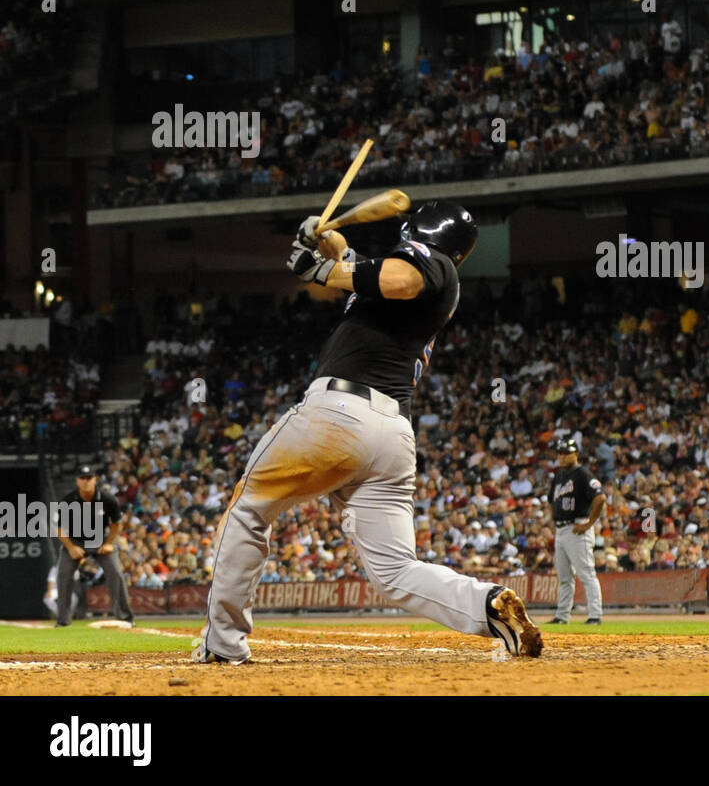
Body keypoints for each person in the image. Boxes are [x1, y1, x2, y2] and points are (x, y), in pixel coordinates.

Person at [194, 200, 542, 663]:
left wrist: (320, 273)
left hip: (337, 415)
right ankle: (487, 604)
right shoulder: (424, 277)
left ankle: (222, 644)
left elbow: (396, 276)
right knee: (395, 570)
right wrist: (324, 239)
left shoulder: (427, 263)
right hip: (392, 436)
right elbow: (360, 268)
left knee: (248, 509)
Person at [55, 465, 134, 627]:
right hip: (75, 541)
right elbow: (59, 529)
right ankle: (63, 621)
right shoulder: (68, 501)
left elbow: (116, 524)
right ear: (77, 481)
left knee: (116, 573)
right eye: (82, 478)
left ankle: (125, 617)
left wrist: (110, 543)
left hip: (101, 540)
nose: (86, 482)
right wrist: (70, 547)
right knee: (63, 575)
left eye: (89, 478)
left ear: (95, 479)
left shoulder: (108, 499)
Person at [547, 436, 606, 625]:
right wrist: (553, 518)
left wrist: (589, 523)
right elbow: (551, 501)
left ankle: (595, 615)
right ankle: (562, 616)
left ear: (576, 454)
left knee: (586, 574)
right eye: (560, 454)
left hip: (577, 528)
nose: (563, 457)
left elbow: (600, 498)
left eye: (567, 453)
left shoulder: (583, 474)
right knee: (564, 577)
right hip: (561, 530)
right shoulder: (558, 476)